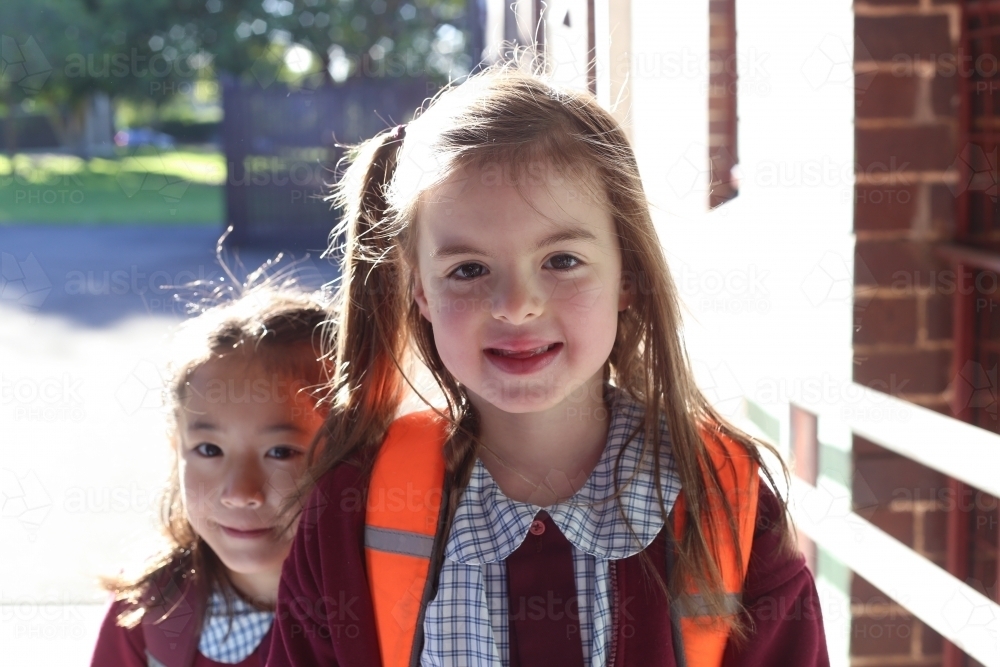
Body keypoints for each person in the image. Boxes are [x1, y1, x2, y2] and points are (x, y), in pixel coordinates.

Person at [268, 63, 830, 667]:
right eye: (469, 269)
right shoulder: (350, 508)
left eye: (561, 260)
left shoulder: (726, 503)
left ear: (628, 274)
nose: (515, 306)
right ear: (419, 291)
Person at [90, 286, 330, 667]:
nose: (240, 492)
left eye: (281, 452)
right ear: (176, 449)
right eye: (209, 450)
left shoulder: (367, 612)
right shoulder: (148, 604)